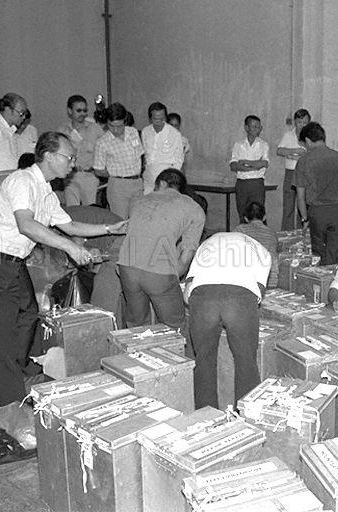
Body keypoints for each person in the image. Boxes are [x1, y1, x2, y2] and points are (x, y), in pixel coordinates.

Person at [0, 131, 127, 443]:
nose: (72, 164)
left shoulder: (46, 191)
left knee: (7, 339)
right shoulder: (22, 181)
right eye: (68, 157)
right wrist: (70, 248)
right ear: (49, 155)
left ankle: (0, 415)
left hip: (13, 266)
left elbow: (67, 225)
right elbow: (26, 225)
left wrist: (109, 227)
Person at [184, 231, 271, 409]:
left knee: (203, 360)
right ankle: (246, 418)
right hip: (239, 297)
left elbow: (187, 294)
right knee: (246, 361)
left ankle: (207, 416)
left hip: (203, 296)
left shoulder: (207, 243)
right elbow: (257, 295)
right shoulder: (262, 250)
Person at [118, 169, 204, 330]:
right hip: (159, 270)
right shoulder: (194, 208)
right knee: (174, 327)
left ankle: (137, 354)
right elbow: (186, 256)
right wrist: (172, 279)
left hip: (126, 265)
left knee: (137, 327)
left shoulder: (138, 200)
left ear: (162, 184)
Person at [294, 122, 338, 265]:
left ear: (308, 141)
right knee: (337, 254)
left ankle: (321, 284)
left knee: (319, 255)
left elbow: (300, 197)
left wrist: (305, 219)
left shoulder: (303, 162)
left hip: (317, 213)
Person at [64, 204, 125, 320]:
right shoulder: (65, 212)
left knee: (103, 299)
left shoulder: (57, 218)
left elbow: (78, 243)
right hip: (111, 238)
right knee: (101, 283)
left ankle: (103, 329)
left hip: (118, 239)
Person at [92, 103, 144, 219]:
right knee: (120, 222)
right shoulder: (102, 142)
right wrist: (115, 174)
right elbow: (98, 170)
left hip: (138, 183)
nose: (115, 130)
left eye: (119, 126)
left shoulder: (133, 132)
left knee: (138, 219)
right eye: (111, 126)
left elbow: (140, 155)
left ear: (125, 121)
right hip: (118, 186)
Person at [59, 95, 105, 207]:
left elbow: (106, 149)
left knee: (91, 211)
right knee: (72, 213)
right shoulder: (62, 130)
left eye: (85, 110)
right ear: (69, 111)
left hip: (89, 176)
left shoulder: (95, 129)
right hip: (70, 177)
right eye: (78, 110)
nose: (82, 114)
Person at [276, 109, 310, 230]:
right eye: (300, 122)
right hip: (291, 172)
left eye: (305, 122)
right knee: (288, 205)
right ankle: (286, 232)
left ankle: (302, 232)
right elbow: (279, 150)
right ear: (295, 122)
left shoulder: (310, 136)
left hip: (305, 173)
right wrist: (294, 151)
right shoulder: (288, 135)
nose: (302, 125)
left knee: (303, 205)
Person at [230, 115, 269, 217]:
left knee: (257, 213)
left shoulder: (263, 145)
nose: (257, 129)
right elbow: (233, 165)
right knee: (242, 213)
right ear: (246, 128)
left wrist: (245, 162)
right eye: (254, 126)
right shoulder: (238, 145)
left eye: (258, 127)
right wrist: (253, 167)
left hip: (257, 183)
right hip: (242, 183)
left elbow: (263, 163)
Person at [233, 201, 278, 288]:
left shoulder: (239, 230)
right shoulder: (271, 233)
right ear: (264, 217)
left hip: (245, 280)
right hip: (268, 279)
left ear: (246, 218)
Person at [142, 102, 184, 194]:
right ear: (150, 118)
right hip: (149, 177)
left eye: (162, 118)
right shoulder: (145, 132)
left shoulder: (174, 133)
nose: (159, 122)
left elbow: (179, 159)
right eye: (156, 119)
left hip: (166, 179)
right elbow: (146, 155)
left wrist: (171, 180)